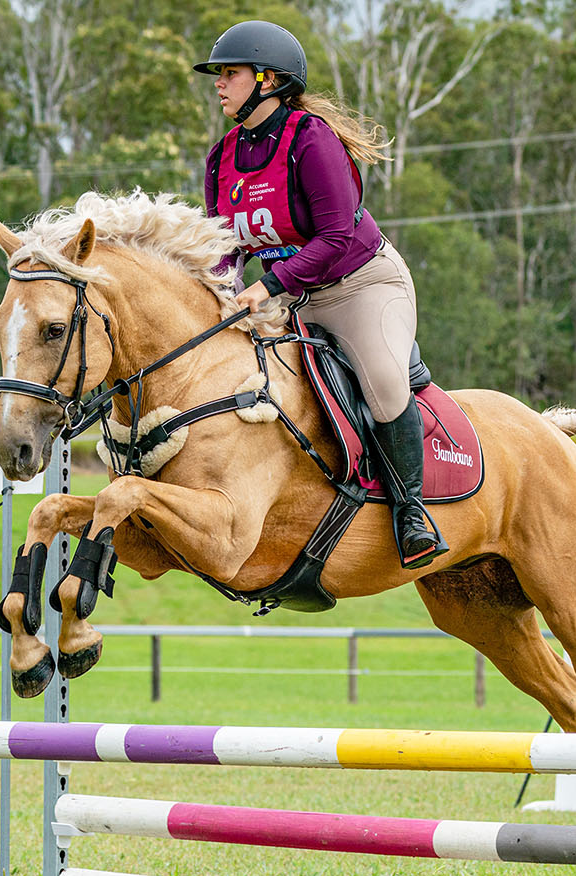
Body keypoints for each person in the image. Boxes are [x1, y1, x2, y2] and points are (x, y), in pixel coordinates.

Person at [194, 20, 448, 570]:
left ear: (269, 80)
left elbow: (335, 237)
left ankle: (411, 514)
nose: (219, 84)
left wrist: (265, 286)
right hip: (291, 298)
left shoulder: (311, 140)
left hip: (360, 285)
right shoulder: (222, 158)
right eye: (219, 75)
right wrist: (217, 294)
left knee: (383, 381)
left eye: (229, 74)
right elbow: (224, 248)